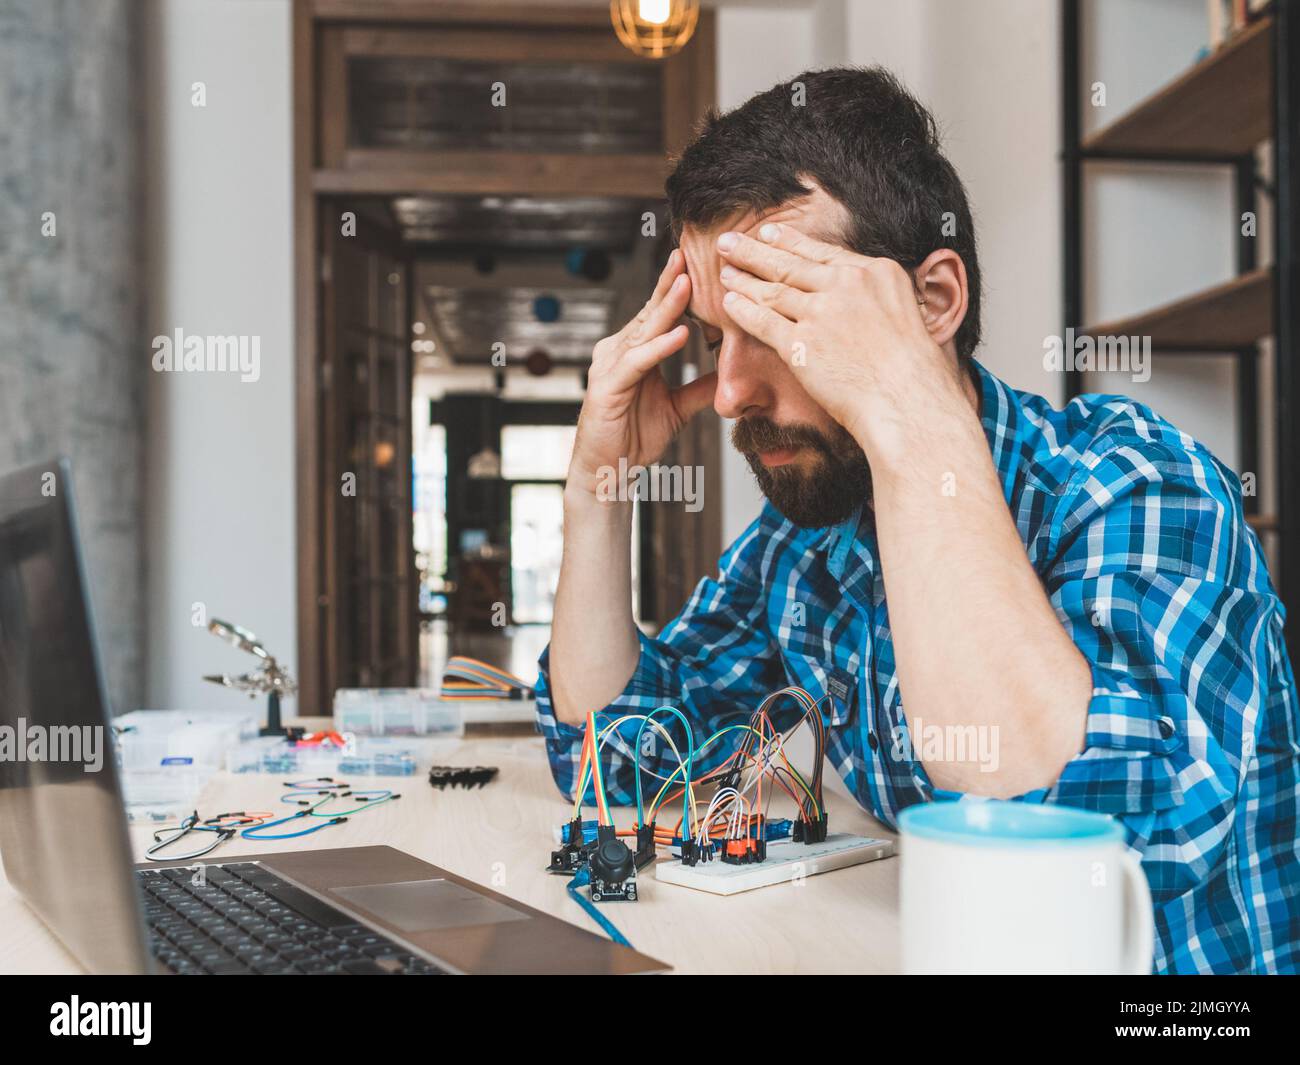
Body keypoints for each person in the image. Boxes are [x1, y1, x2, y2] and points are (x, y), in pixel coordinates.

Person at [535, 67, 1299, 975]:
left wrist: (910, 410)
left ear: (933, 302)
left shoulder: (1137, 480)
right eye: (715, 340)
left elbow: (1091, 847)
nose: (731, 392)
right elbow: (624, 763)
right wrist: (596, 490)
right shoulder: (806, 543)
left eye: (781, 323)